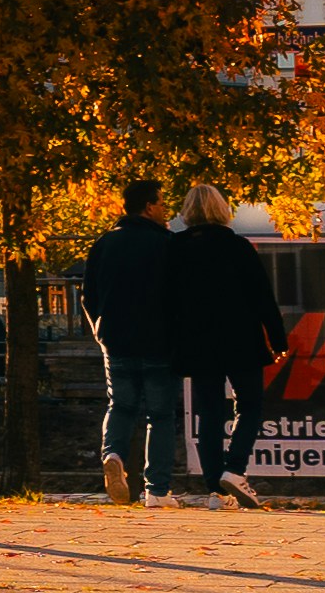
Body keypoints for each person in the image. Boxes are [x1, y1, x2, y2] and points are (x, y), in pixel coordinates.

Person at [168, 192, 286, 507]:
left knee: (208, 413)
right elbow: (262, 297)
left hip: (196, 341)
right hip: (241, 338)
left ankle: (216, 492)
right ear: (223, 210)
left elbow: (165, 299)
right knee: (249, 405)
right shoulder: (238, 248)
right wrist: (278, 340)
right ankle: (234, 469)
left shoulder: (175, 249)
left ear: (187, 212)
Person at [83, 175, 180, 502]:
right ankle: (157, 489)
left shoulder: (105, 242)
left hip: (116, 338)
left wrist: (98, 327)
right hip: (158, 339)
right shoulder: (167, 243)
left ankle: (112, 455)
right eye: (162, 202)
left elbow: (88, 294)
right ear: (149, 206)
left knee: (121, 405)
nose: (166, 208)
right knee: (161, 414)